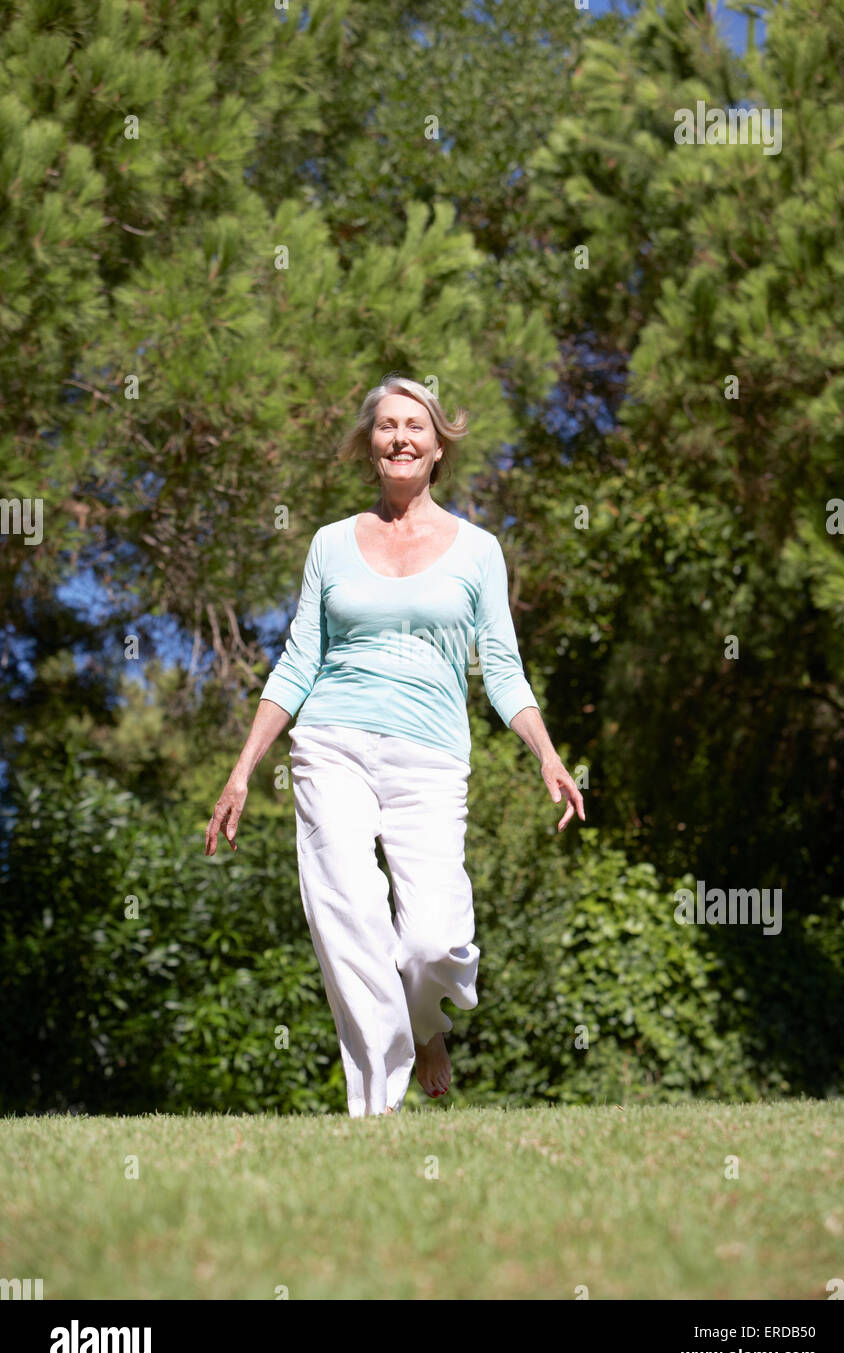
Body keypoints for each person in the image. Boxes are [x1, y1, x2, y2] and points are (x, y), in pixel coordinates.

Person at [205, 374, 585, 1117]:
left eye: (416, 425)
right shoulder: (330, 544)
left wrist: (546, 753)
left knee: (432, 945)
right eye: (386, 426)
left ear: (439, 444)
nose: (401, 436)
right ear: (370, 445)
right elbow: (297, 661)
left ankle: (424, 1020)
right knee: (350, 922)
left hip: (431, 760)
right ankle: (376, 1113)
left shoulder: (478, 550)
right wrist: (243, 770)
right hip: (331, 745)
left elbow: (501, 667)